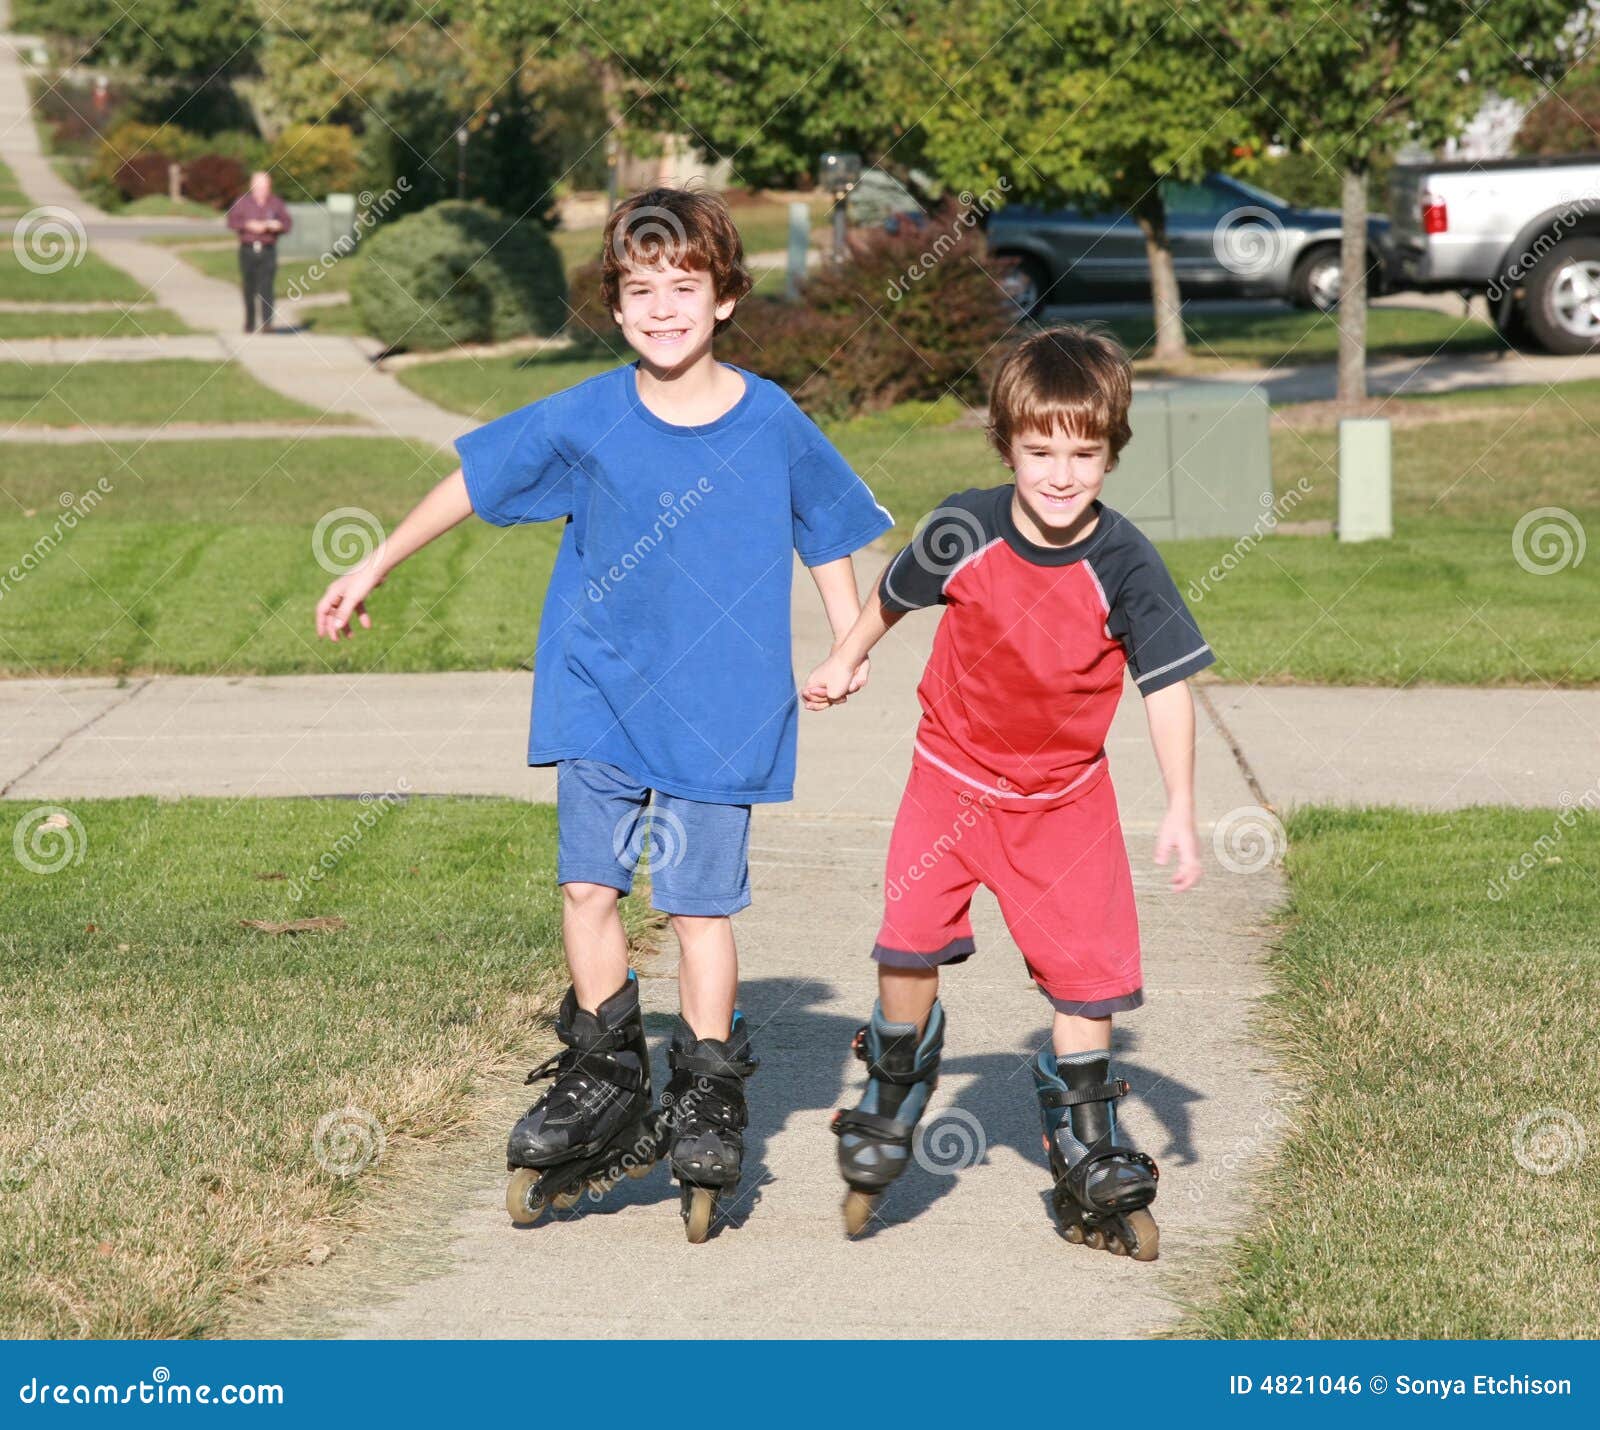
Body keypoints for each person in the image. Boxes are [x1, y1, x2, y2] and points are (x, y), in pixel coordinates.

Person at [313, 187, 891, 1243]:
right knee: (587, 883)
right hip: (598, 689)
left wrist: (848, 643)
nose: (663, 308)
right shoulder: (587, 413)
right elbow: (473, 477)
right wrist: (376, 560)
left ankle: (708, 1091)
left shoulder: (771, 417)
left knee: (699, 904)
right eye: (640, 290)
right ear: (616, 305)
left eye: (684, 287)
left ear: (723, 298)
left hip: (725, 701)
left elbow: (829, 527)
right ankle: (604, 1070)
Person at [803, 326, 1214, 1260]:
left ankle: (1086, 1133)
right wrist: (843, 656)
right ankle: (897, 1082)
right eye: (1040, 452)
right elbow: (895, 594)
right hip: (950, 785)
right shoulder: (967, 526)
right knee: (907, 946)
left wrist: (1183, 806)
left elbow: (1170, 689)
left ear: (1113, 451)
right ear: (1006, 445)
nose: (1062, 474)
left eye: (1085, 453)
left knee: (1089, 977)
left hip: (1065, 802)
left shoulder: (1127, 564)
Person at [225, 171, 292, 333]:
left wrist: (277, 226)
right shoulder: (242, 202)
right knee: (249, 287)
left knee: (267, 286)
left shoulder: (276, 203)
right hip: (247, 249)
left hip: (268, 249)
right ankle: (249, 322)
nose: (262, 190)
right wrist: (248, 225)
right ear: (252, 186)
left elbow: (287, 223)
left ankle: (267, 323)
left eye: (265, 187)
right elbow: (231, 221)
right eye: (259, 187)